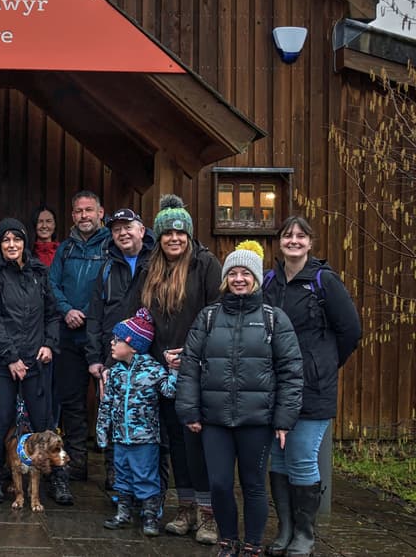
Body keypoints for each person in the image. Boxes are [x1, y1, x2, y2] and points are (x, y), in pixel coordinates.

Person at [177, 241, 303, 557]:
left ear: (256, 278)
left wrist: (284, 419)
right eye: (232, 273)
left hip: (256, 421)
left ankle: (252, 545)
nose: (238, 279)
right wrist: (190, 410)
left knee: (254, 486)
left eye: (245, 273)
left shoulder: (276, 319)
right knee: (219, 484)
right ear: (225, 279)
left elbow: (291, 372)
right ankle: (228, 540)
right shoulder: (207, 317)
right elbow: (190, 365)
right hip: (214, 419)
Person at [262, 217, 362, 557]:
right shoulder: (269, 282)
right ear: (279, 242)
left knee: (302, 457)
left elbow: (350, 330)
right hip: (276, 386)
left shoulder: (324, 282)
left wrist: (324, 364)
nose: (293, 240)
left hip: (313, 388)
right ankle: (285, 528)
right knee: (278, 458)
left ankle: (305, 534)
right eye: (288, 235)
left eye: (300, 235)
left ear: (310, 242)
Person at [141, 194, 222, 544]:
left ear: (188, 235)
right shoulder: (151, 269)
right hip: (163, 371)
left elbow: (218, 317)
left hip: (199, 371)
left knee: (199, 443)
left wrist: (191, 354)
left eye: (180, 233)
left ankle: (210, 515)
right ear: (159, 237)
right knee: (176, 442)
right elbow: (143, 319)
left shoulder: (205, 265)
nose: (174, 238)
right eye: (167, 233)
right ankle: (186, 507)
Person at [0, 218, 61, 504]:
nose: (11, 245)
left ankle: (55, 478)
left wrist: (50, 343)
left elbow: (52, 312)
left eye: (17, 239)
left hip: (36, 360)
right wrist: (11, 357)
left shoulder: (40, 273)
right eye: (6, 240)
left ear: (25, 242)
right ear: (0, 246)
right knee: (0, 419)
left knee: (43, 421)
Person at [85, 208, 154, 493]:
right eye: (116, 230)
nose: (123, 234)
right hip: (112, 355)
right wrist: (94, 358)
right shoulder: (107, 268)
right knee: (115, 418)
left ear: (141, 230)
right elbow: (95, 315)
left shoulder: (157, 263)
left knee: (148, 423)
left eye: (128, 227)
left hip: (149, 357)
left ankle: (148, 490)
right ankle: (118, 482)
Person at [48, 190, 109, 499]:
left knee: (108, 402)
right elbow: (52, 283)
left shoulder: (112, 245)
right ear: (72, 216)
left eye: (89, 210)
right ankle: (76, 463)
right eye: (78, 211)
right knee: (71, 402)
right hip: (69, 335)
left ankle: (113, 468)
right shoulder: (65, 249)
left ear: (101, 212)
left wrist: (88, 312)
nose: (84, 216)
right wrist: (66, 309)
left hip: (103, 336)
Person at [96, 308, 176, 537]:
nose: (112, 343)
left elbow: (170, 391)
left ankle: (150, 515)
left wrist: (174, 372)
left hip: (145, 438)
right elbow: (107, 403)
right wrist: (102, 430)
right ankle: (123, 511)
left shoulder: (152, 369)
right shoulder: (115, 373)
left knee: (145, 475)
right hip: (121, 437)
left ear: (133, 345)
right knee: (121, 475)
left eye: (117, 340)